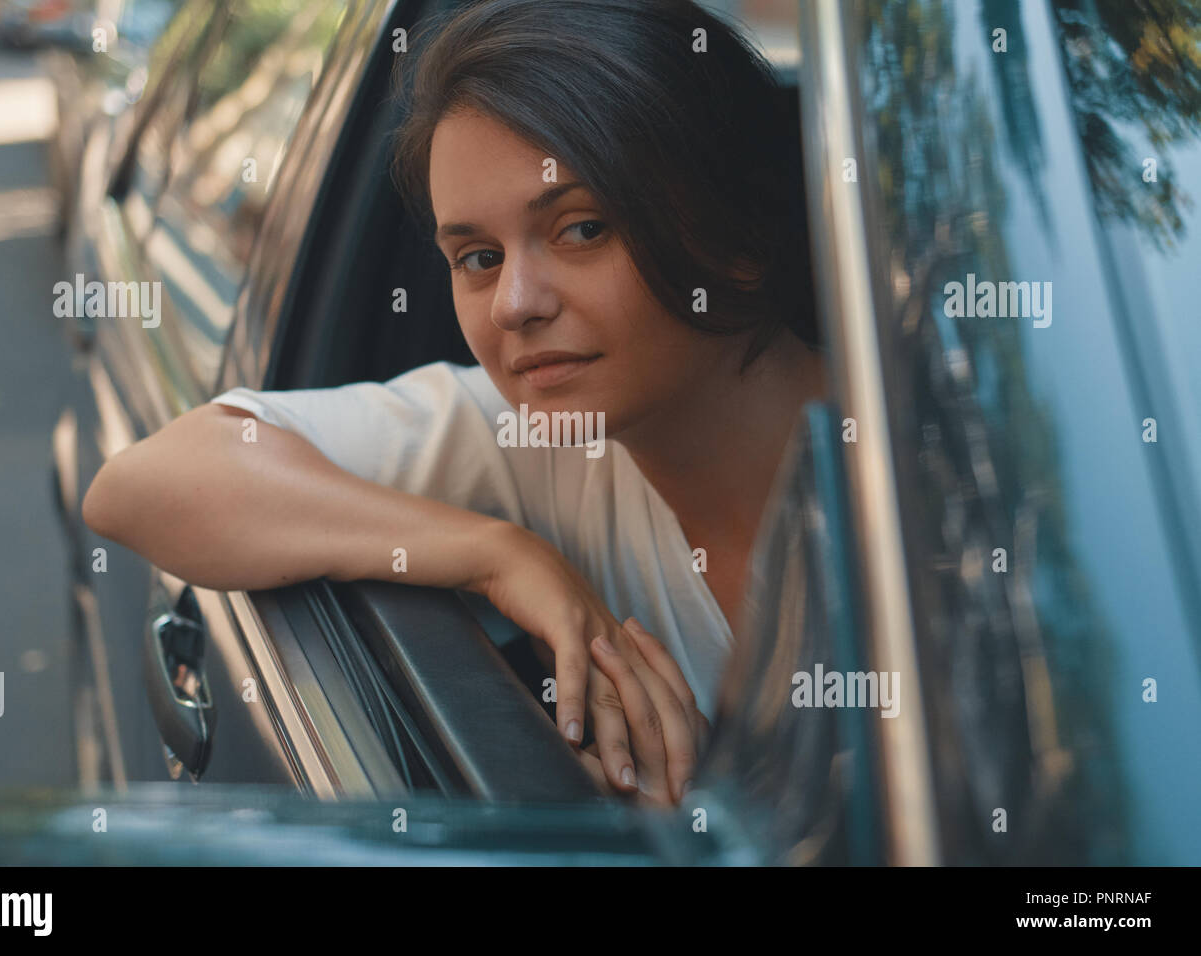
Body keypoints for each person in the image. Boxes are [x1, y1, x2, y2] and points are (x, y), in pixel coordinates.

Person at [82, 0, 826, 807]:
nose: (514, 304)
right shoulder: (541, 445)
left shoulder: (946, 496)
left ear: (739, 236)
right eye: (476, 256)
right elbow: (140, 486)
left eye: (582, 230)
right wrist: (503, 556)